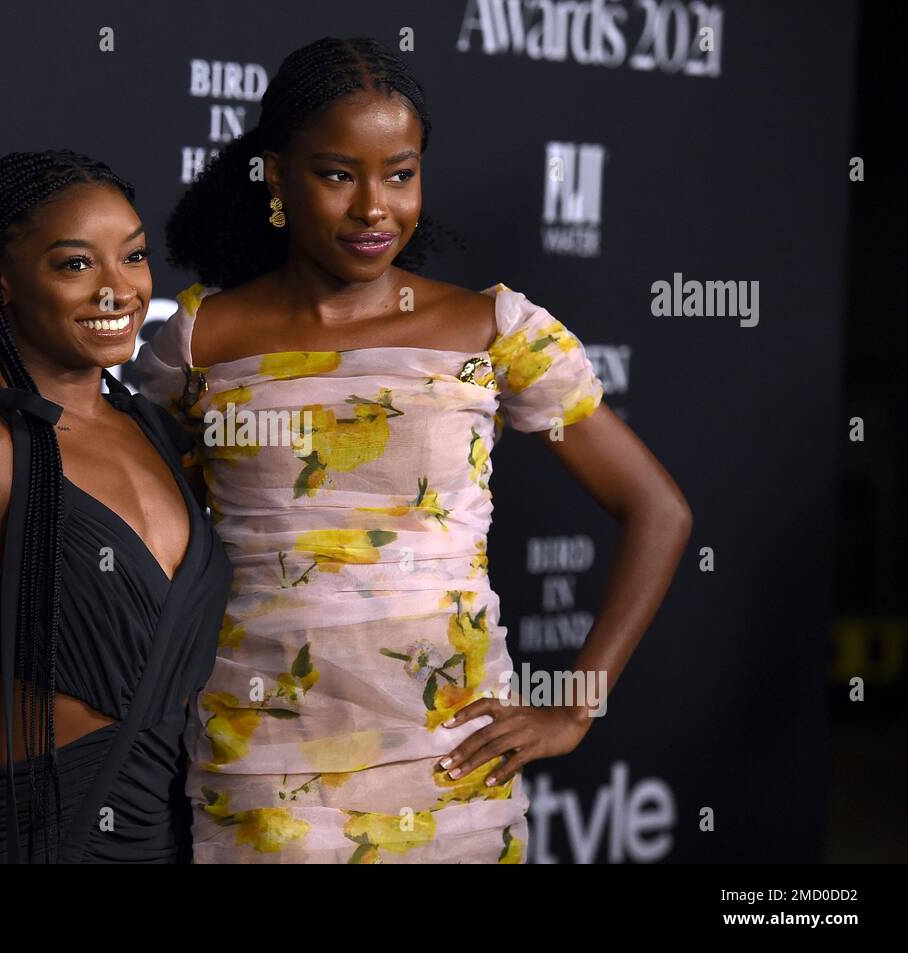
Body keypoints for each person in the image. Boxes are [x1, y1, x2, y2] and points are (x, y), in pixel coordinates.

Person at [133, 37, 692, 863]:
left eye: (400, 174)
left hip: (453, 761)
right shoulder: (198, 341)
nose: (374, 208)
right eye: (337, 174)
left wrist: (576, 704)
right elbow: (138, 531)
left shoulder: (491, 332)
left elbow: (658, 510)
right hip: (262, 764)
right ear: (275, 177)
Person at [0, 150, 232, 863]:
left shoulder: (157, 432)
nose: (118, 290)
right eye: (75, 264)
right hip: (35, 837)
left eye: (134, 257)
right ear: (2, 279)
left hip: (168, 835)